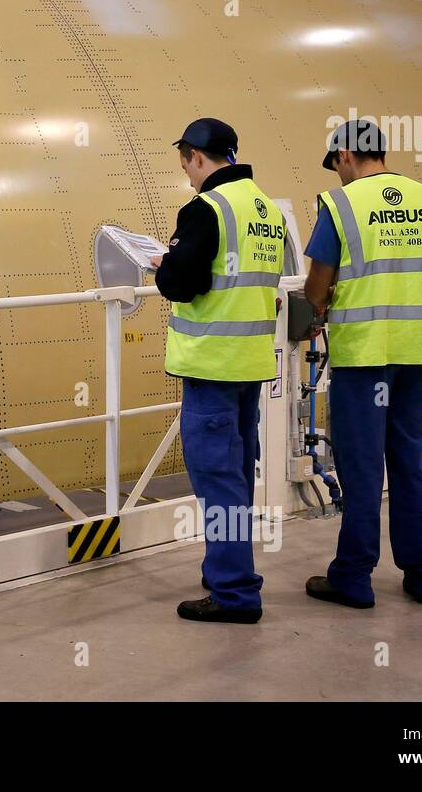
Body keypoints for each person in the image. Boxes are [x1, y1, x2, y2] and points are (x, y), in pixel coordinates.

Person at [302, 120, 422, 609]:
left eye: (337, 165)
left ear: (345, 155)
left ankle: (353, 576)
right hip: (416, 351)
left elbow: (317, 286)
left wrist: (321, 309)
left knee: (362, 465)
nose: (338, 176)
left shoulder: (341, 205)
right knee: (410, 460)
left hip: (365, 355)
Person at [151, 117, 285, 624]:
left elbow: (181, 284)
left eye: (185, 161)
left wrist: (164, 263)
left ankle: (233, 592)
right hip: (250, 363)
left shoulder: (206, 209)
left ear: (195, 156)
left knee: (217, 479)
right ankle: (225, 567)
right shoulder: (266, 209)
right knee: (237, 475)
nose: (186, 173)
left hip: (212, 366)